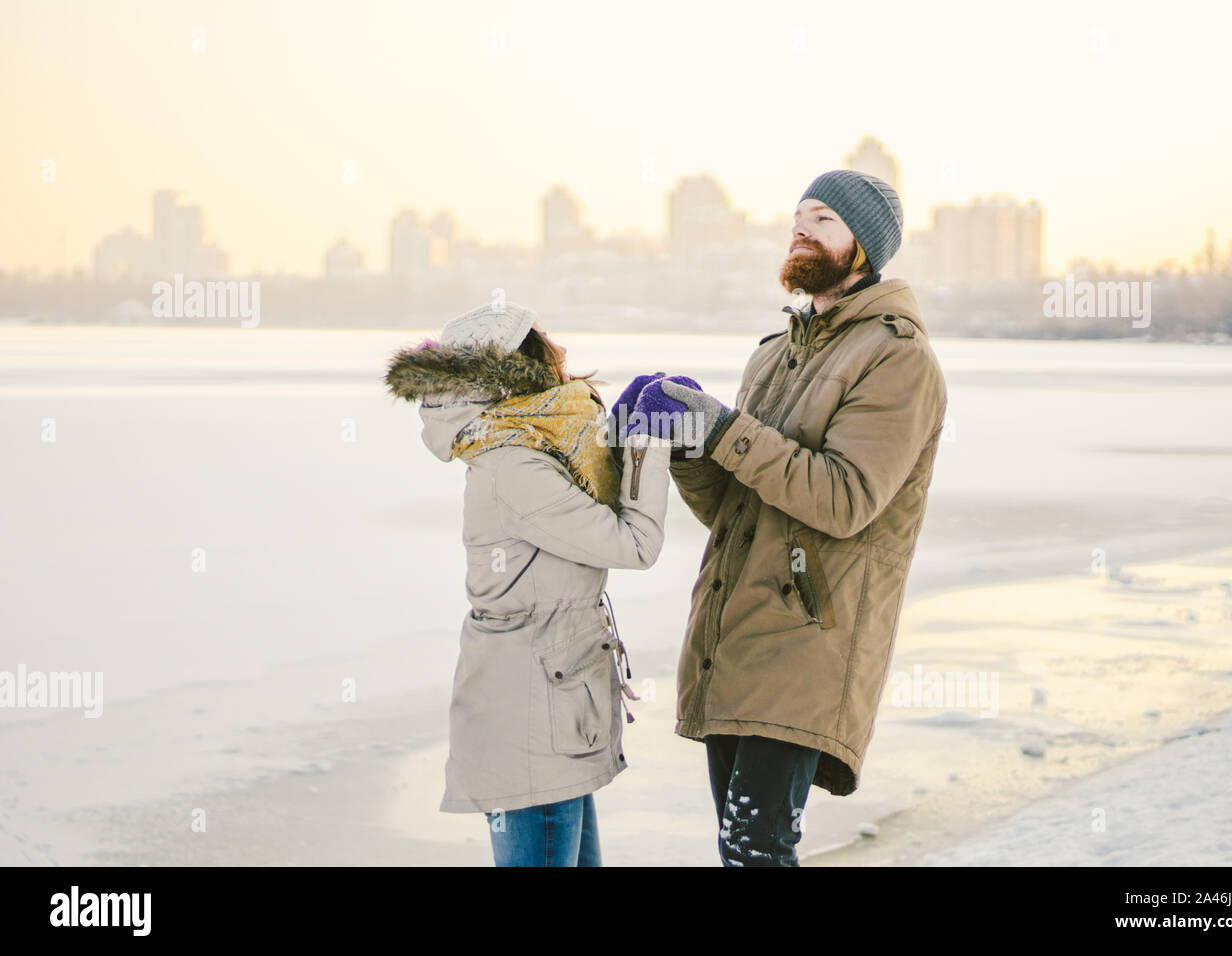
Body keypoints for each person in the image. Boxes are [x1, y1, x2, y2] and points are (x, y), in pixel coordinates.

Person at [623, 169, 948, 866]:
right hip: (733, 631)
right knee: (741, 849)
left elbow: (843, 500)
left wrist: (721, 429)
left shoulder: (896, 357)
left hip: (809, 638)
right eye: (799, 216)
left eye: (824, 219)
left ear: (865, 245)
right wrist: (688, 440)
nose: (802, 228)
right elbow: (734, 509)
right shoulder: (773, 355)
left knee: (756, 849)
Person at [385, 301, 672, 867]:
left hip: (548, 693)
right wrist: (650, 441)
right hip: (534, 710)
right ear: (524, 364)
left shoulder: (531, 442)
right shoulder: (515, 462)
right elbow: (636, 544)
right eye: (547, 343)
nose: (562, 353)